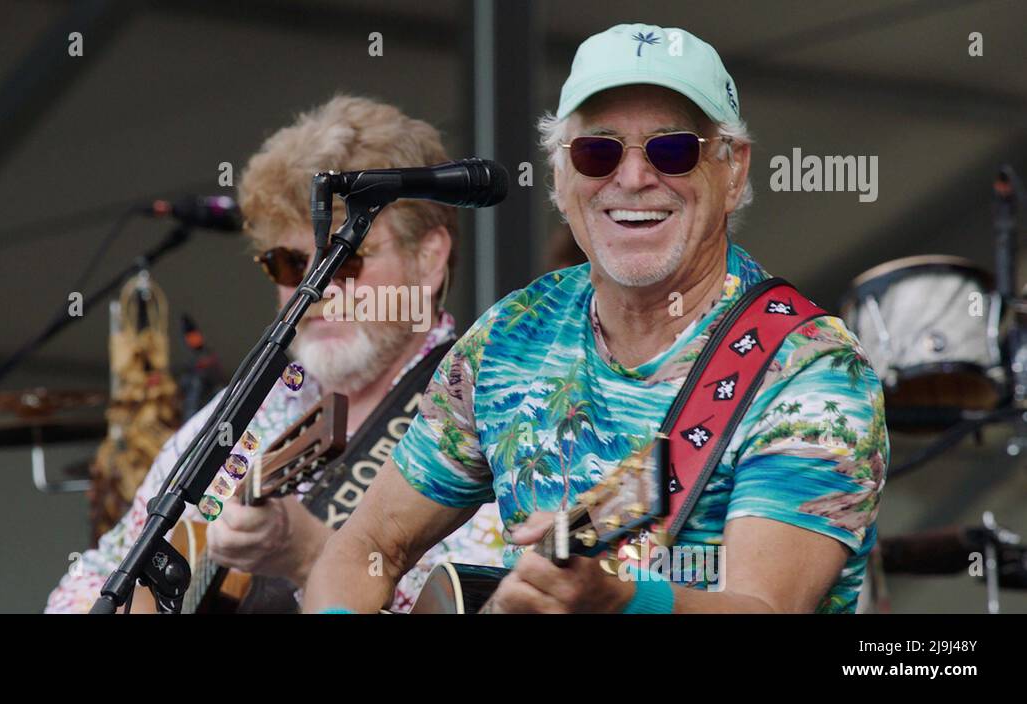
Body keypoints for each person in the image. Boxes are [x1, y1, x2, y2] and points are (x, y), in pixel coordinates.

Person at [303, 24, 889, 614]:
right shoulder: (511, 335)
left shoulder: (811, 367)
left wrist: (623, 602)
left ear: (733, 170)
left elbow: (766, 609)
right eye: (597, 150)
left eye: (673, 149)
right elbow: (362, 547)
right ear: (560, 175)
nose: (632, 179)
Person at [45, 95, 504, 614]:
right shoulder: (252, 406)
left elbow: (483, 600)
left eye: (345, 259)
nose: (319, 287)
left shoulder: (488, 405)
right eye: (289, 263)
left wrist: (312, 558)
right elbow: (98, 573)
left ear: (429, 258)